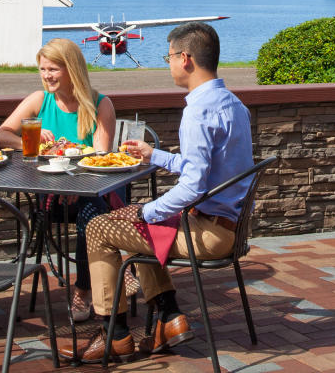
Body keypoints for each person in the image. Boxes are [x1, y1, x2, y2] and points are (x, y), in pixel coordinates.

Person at [57, 21, 254, 364]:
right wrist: (156, 156)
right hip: (228, 227)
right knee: (136, 218)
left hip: (207, 233)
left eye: (169, 57)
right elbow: (206, 167)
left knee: (100, 227)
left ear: (186, 58)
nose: (168, 64)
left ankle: (114, 335)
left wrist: (147, 212)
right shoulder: (234, 104)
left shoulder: (196, 112)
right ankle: (169, 318)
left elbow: (193, 185)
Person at [0, 38, 118, 322]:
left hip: (90, 192)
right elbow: (2, 133)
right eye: (42, 69)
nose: (46, 75)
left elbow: (101, 158)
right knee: (93, 212)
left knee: (93, 213)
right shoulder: (40, 101)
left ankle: (83, 289)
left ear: (71, 69)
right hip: (49, 194)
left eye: (53, 69)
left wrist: (77, 185)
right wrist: (31, 139)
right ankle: (115, 278)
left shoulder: (100, 105)